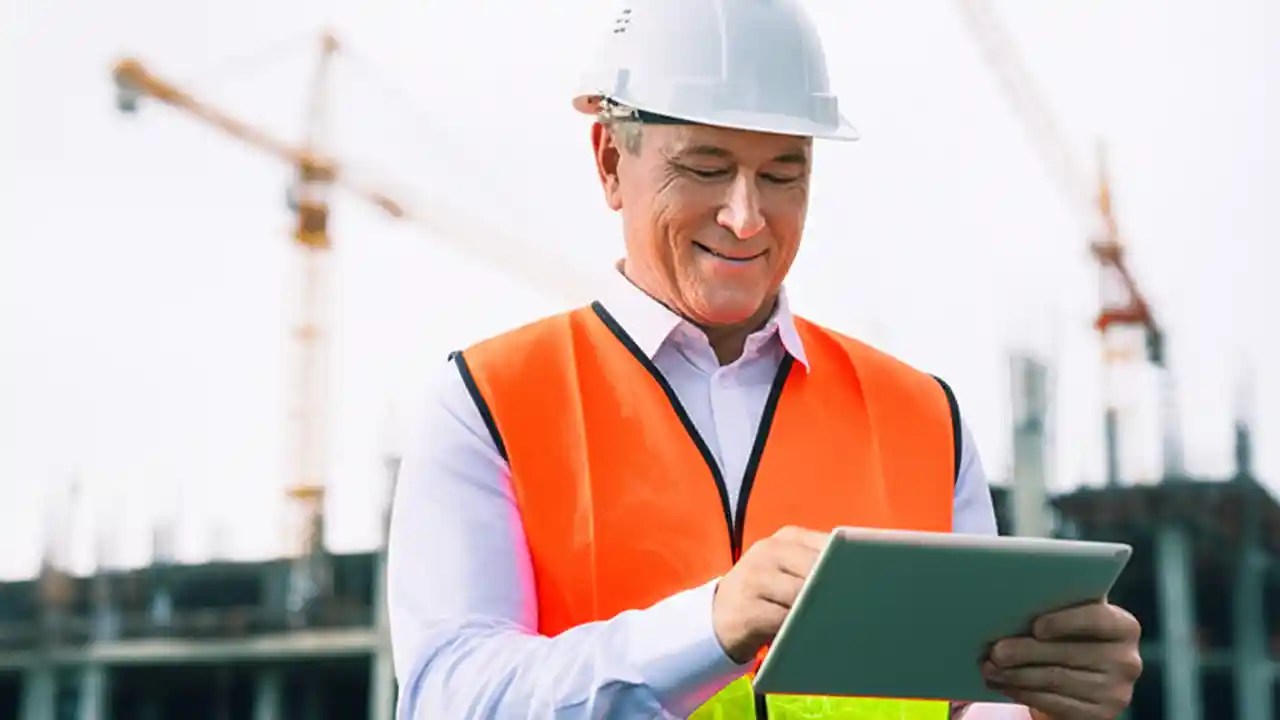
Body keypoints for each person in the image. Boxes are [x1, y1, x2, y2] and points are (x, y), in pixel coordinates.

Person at [386, 1, 1143, 718]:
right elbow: (449, 697)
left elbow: (965, 698)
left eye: (783, 174)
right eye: (706, 168)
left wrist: (1042, 702)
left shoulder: (922, 419)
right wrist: (707, 627)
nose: (746, 217)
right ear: (611, 161)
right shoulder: (488, 404)